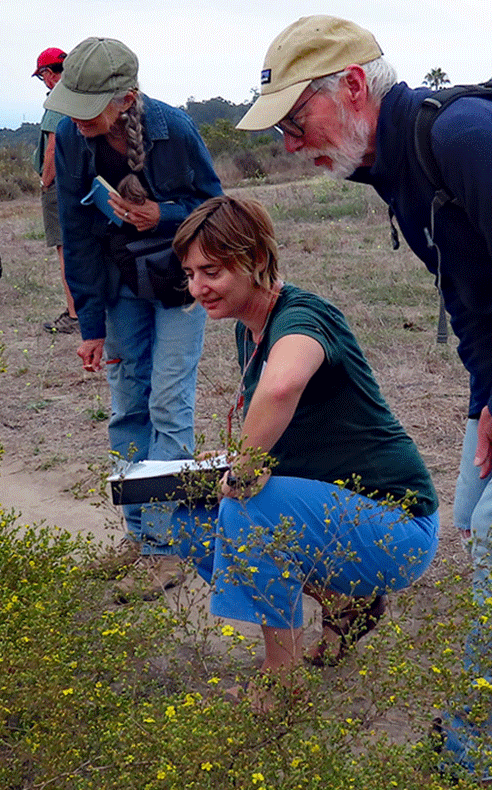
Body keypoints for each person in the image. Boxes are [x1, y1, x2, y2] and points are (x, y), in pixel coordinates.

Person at [236, 15, 492, 778]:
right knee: (481, 517)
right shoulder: (395, 167)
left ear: (354, 86)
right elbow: (473, 303)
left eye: (296, 121)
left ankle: (472, 753)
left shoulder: (463, 139)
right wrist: (487, 407)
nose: (291, 145)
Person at [170, 196, 438, 692]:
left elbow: (282, 387)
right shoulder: (249, 330)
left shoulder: (303, 317)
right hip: (339, 510)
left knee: (248, 508)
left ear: (254, 259)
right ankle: (343, 603)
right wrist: (231, 462)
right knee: (189, 511)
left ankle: (283, 677)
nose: (197, 287)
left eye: (211, 271)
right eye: (189, 274)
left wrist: (245, 465)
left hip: (396, 524)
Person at [46, 36, 224, 600]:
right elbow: (76, 232)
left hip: (180, 284)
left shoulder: (176, 129)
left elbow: (214, 206)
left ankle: (168, 546)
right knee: (128, 407)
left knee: (169, 404)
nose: (76, 118)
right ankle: (142, 535)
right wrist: (90, 325)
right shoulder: (71, 137)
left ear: (126, 99)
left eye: (87, 106)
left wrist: (162, 215)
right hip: (120, 285)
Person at [32, 48, 78, 334]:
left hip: (60, 184)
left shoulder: (58, 99)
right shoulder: (80, 96)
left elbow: (53, 146)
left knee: (66, 251)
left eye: (42, 76)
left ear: (48, 74)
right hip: (79, 180)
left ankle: (74, 314)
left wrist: (45, 180)